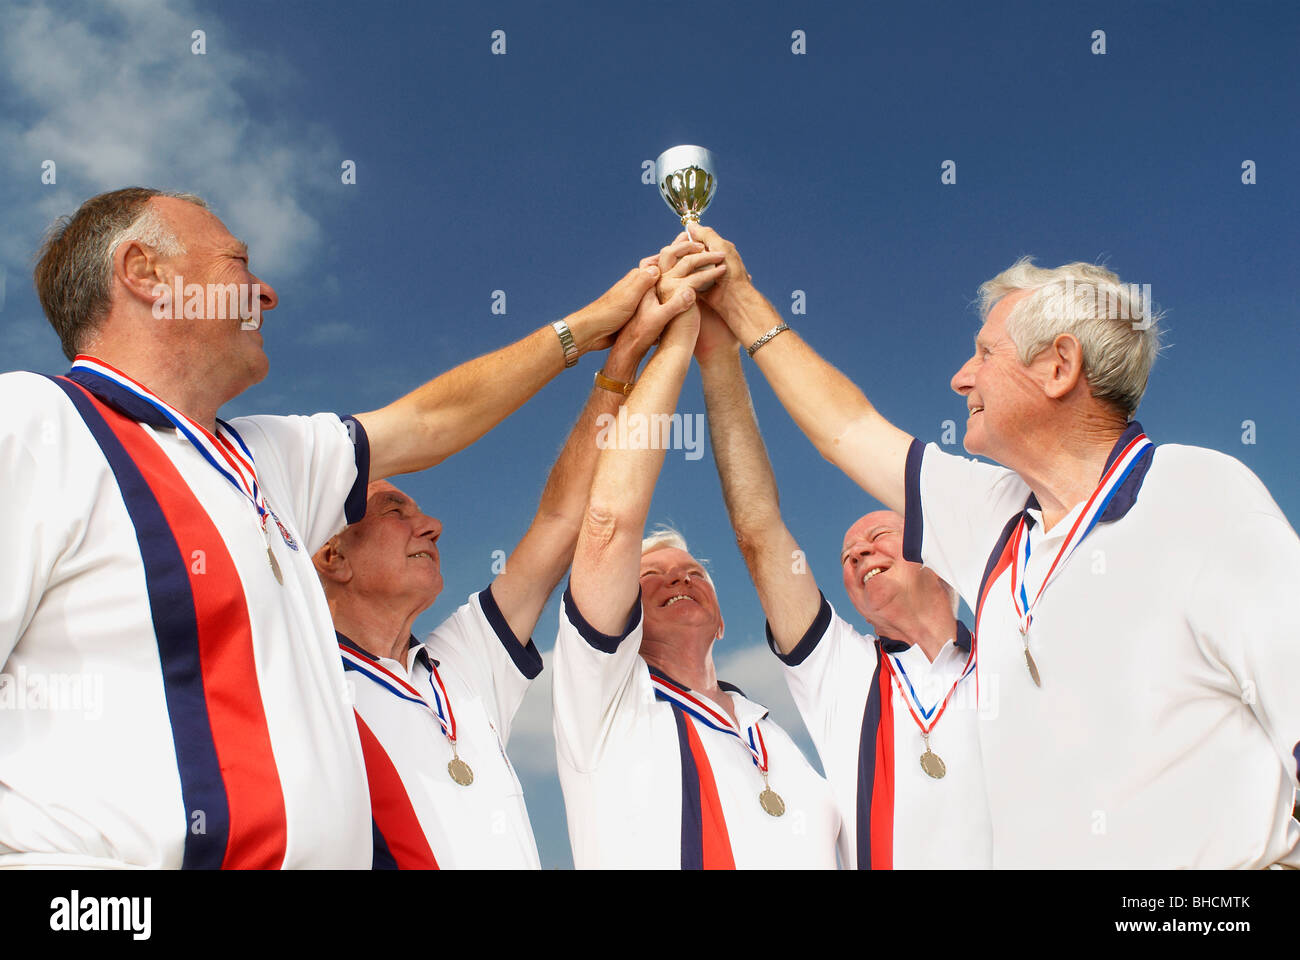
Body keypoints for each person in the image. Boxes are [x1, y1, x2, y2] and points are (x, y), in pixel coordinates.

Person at [0, 186, 694, 868]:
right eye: (237, 264)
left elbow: (431, 423)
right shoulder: (34, 422)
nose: (265, 292)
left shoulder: (262, 457)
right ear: (145, 274)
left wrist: (598, 328)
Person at [691, 226, 1300, 868]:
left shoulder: (1200, 495)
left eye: (985, 353)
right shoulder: (996, 518)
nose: (960, 379)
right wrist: (740, 299)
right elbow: (848, 429)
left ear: (1058, 367)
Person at [311, 254, 713, 868]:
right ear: (332, 556)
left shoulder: (458, 664)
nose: (433, 525)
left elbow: (559, 522)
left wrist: (625, 357)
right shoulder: (295, 675)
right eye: (395, 511)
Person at [552, 244, 841, 868]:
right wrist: (677, 341)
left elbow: (759, 532)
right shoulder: (604, 698)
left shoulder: (778, 735)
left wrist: (722, 356)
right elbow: (607, 525)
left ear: (722, 620)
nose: (676, 579)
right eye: (649, 576)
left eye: (691, 573)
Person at [695, 296, 989, 869]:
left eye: (878, 535)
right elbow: (760, 534)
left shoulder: (1008, 647)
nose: (857, 552)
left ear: (937, 553)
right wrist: (718, 360)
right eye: (848, 554)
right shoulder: (842, 670)